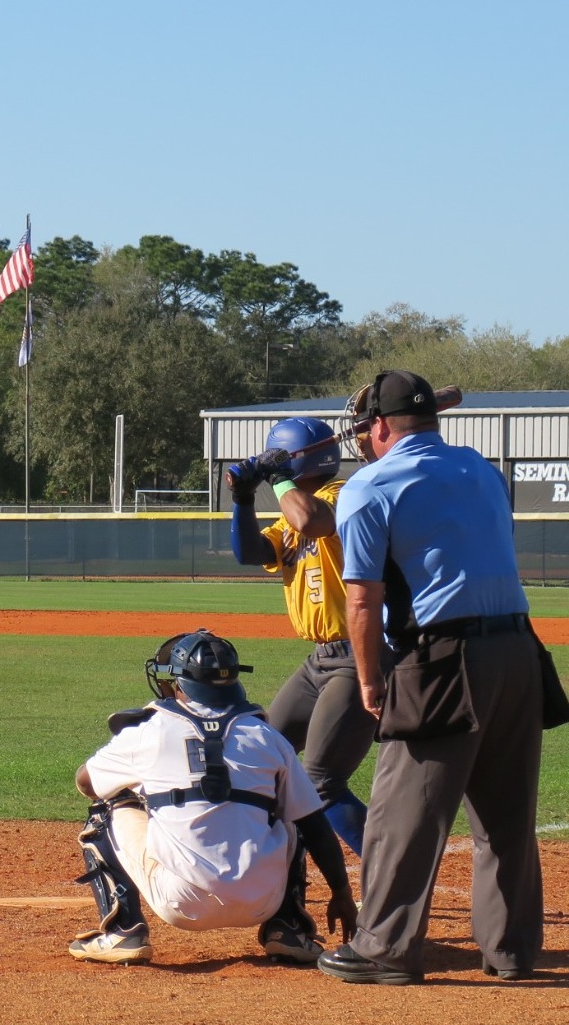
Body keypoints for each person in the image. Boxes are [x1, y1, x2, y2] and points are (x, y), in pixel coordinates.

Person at [319, 369, 545, 985]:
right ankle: (511, 951)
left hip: (443, 658)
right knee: (506, 816)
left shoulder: (370, 485)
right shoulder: (479, 469)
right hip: (520, 651)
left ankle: (384, 948)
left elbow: (362, 599)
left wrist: (370, 679)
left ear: (380, 427)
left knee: (404, 810)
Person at [69, 629, 356, 966]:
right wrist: (342, 892)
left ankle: (123, 931)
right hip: (261, 901)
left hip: (181, 903)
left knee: (107, 807)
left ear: (178, 684)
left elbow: (86, 782)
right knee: (292, 812)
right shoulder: (267, 736)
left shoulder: (147, 731)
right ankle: (288, 927)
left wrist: (150, 789)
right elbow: (315, 825)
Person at [226, 417, 372, 858]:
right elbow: (249, 552)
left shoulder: (343, 494)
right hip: (320, 660)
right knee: (262, 755)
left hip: (358, 657)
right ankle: (280, 865)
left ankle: (394, 877)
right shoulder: (292, 511)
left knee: (322, 781)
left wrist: (277, 478)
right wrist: (243, 499)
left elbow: (310, 521)